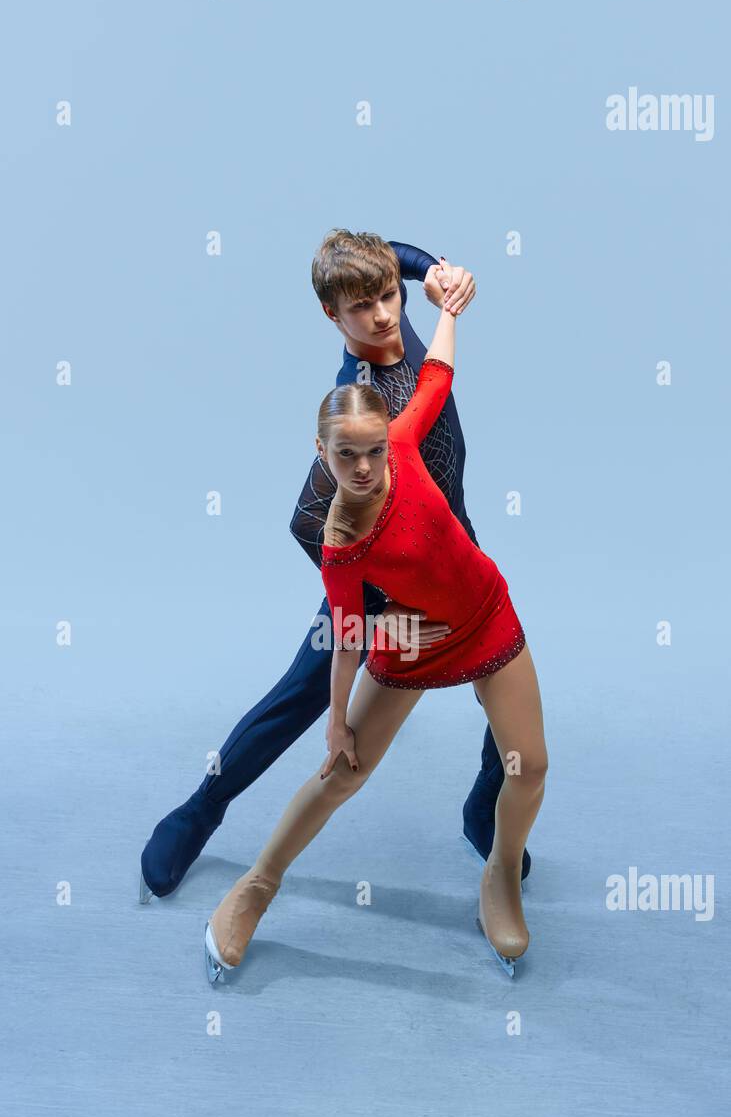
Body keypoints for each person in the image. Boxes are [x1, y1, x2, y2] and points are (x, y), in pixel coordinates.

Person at [140, 231, 531, 903]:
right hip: (377, 575)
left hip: (449, 543)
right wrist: (380, 603)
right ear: (333, 316)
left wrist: (436, 270)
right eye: (362, 307)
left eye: (388, 297)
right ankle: (203, 806)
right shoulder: (361, 400)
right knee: (301, 694)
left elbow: (381, 248)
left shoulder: (393, 311)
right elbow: (307, 524)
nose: (381, 315)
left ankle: (480, 810)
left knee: (499, 672)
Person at [204, 275, 548, 983]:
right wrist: (336, 723)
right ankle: (256, 887)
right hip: (415, 642)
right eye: (344, 457)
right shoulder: (338, 543)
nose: (363, 468)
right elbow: (350, 635)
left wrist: (447, 309)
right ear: (320, 452)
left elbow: (438, 371)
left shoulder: (405, 435)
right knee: (341, 773)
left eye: (373, 452)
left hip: (484, 616)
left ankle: (500, 873)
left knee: (530, 766)